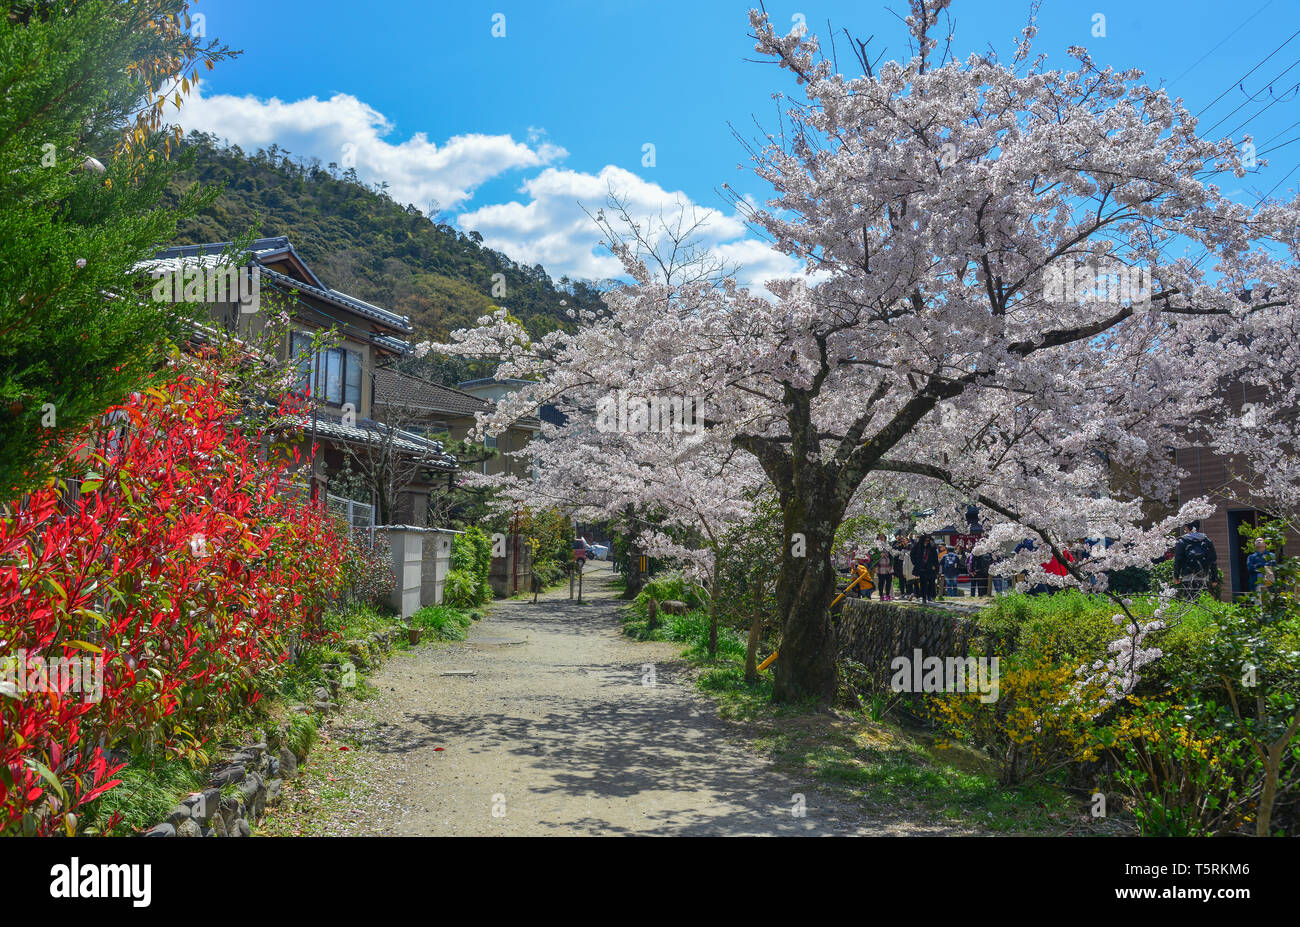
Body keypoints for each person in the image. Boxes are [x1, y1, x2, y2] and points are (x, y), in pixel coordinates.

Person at [1173, 521, 1217, 598]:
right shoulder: (1206, 541)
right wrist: (1214, 579)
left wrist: (1176, 576)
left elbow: (1178, 560)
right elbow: (1213, 560)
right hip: (1203, 575)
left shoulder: (1182, 541)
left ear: (1187, 528)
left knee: (1189, 599)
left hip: (1187, 575)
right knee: (1201, 599)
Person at [912, 535, 940, 604]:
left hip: (930, 567)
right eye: (925, 541)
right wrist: (916, 563)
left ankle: (930, 596)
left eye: (928, 541)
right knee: (923, 583)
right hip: (921, 568)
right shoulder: (918, 546)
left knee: (931, 582)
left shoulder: (932, 547)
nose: (927, 542)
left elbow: (935, 557)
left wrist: (935, 566)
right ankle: (924, 597)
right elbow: (912, 554)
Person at [873, 535, 894, 601]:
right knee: (881, 582)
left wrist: (892, 565)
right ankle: (881, 595)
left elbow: (892, 557)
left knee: (889, 581)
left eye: (883, 537)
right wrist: (879, 555)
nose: (882, 539)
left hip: (888, 567)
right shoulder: (875, 547)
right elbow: (872, 556)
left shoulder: (888, 546)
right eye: (880, 537)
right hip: (880, 567)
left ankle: (888, 595)